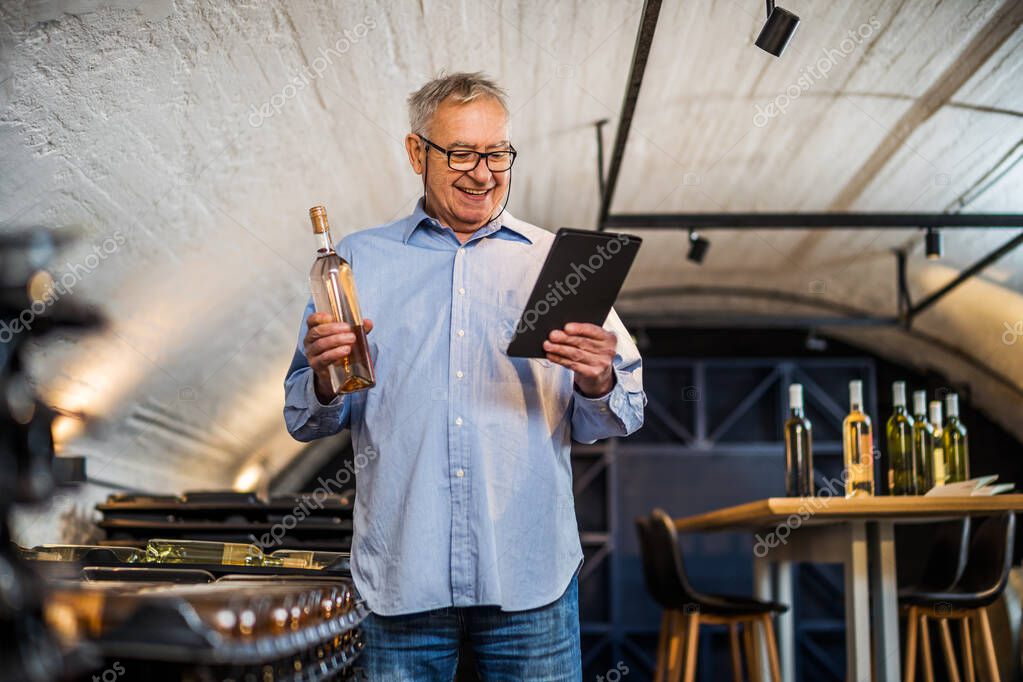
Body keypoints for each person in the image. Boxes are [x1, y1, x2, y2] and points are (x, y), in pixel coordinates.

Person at [284, 72, 646, 680]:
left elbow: (623, 411)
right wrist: (324, 378)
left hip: (530, 579)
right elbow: (304, 414)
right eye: (461, 153)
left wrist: (597, 379)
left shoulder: (554, 261)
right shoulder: (359, 261)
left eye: (497, 153)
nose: (483, 173)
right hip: (401, 578)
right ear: (415, 152)